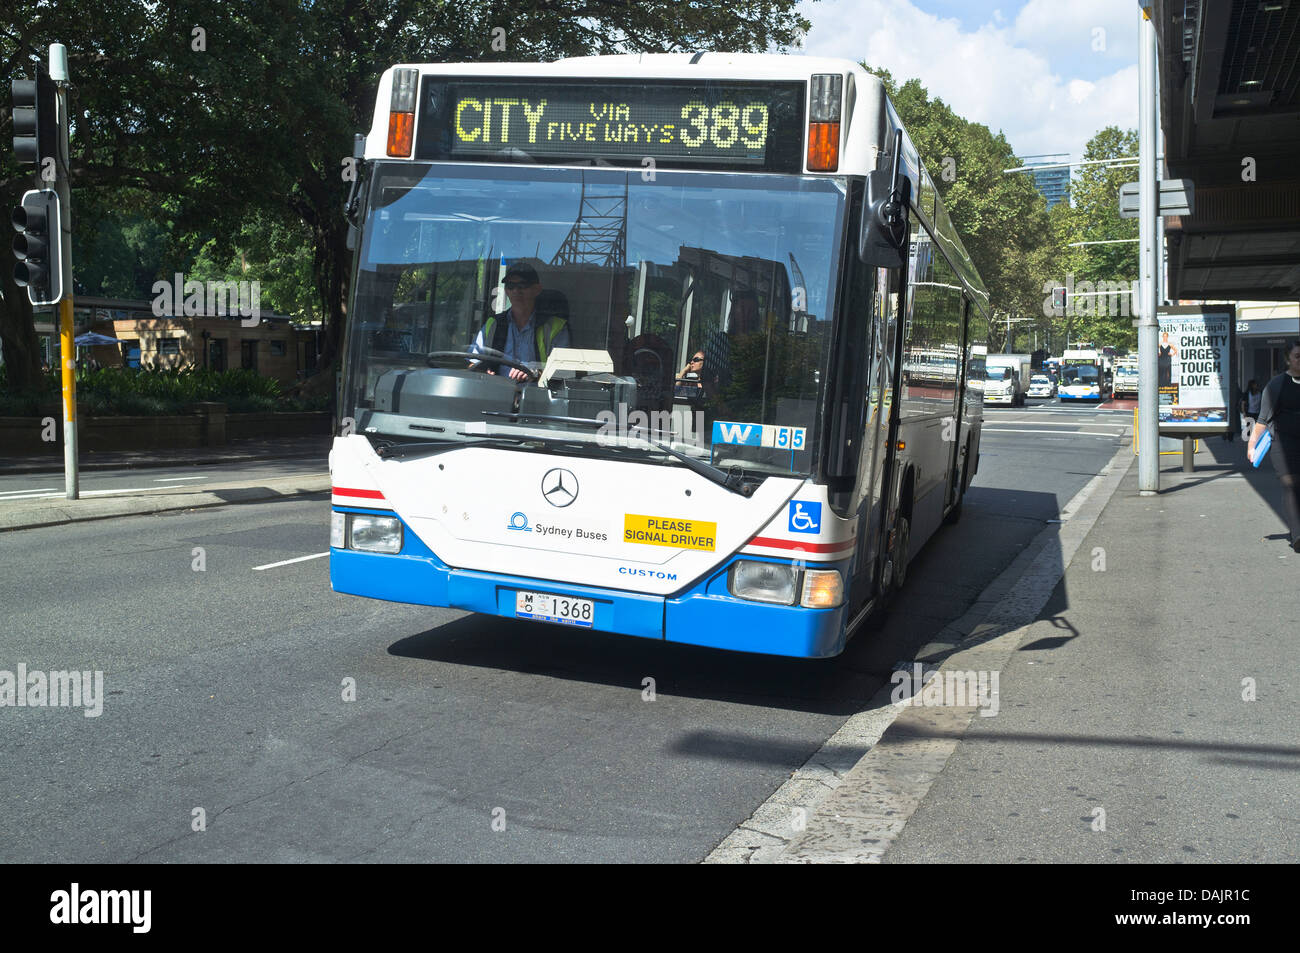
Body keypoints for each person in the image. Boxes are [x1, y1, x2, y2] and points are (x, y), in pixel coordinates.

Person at [470, 263, 570, 380]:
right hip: (496, 392)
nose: (516, 291)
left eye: (522, 285)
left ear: (537, 289)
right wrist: (481, 371)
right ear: (506, 291)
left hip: (536, 394)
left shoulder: (556, 327)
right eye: (511, 286)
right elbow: (472, 363)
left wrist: (536, 373)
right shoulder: (492, 324)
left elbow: (563, 372)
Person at [1248, 341, 1300, 553]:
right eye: (1298, 356)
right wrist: (1252, 444)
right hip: (1283, 443)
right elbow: (1261, 420)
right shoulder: (1277, 384)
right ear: (1288, 359)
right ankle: (1297, 534)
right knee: (1291, 486)